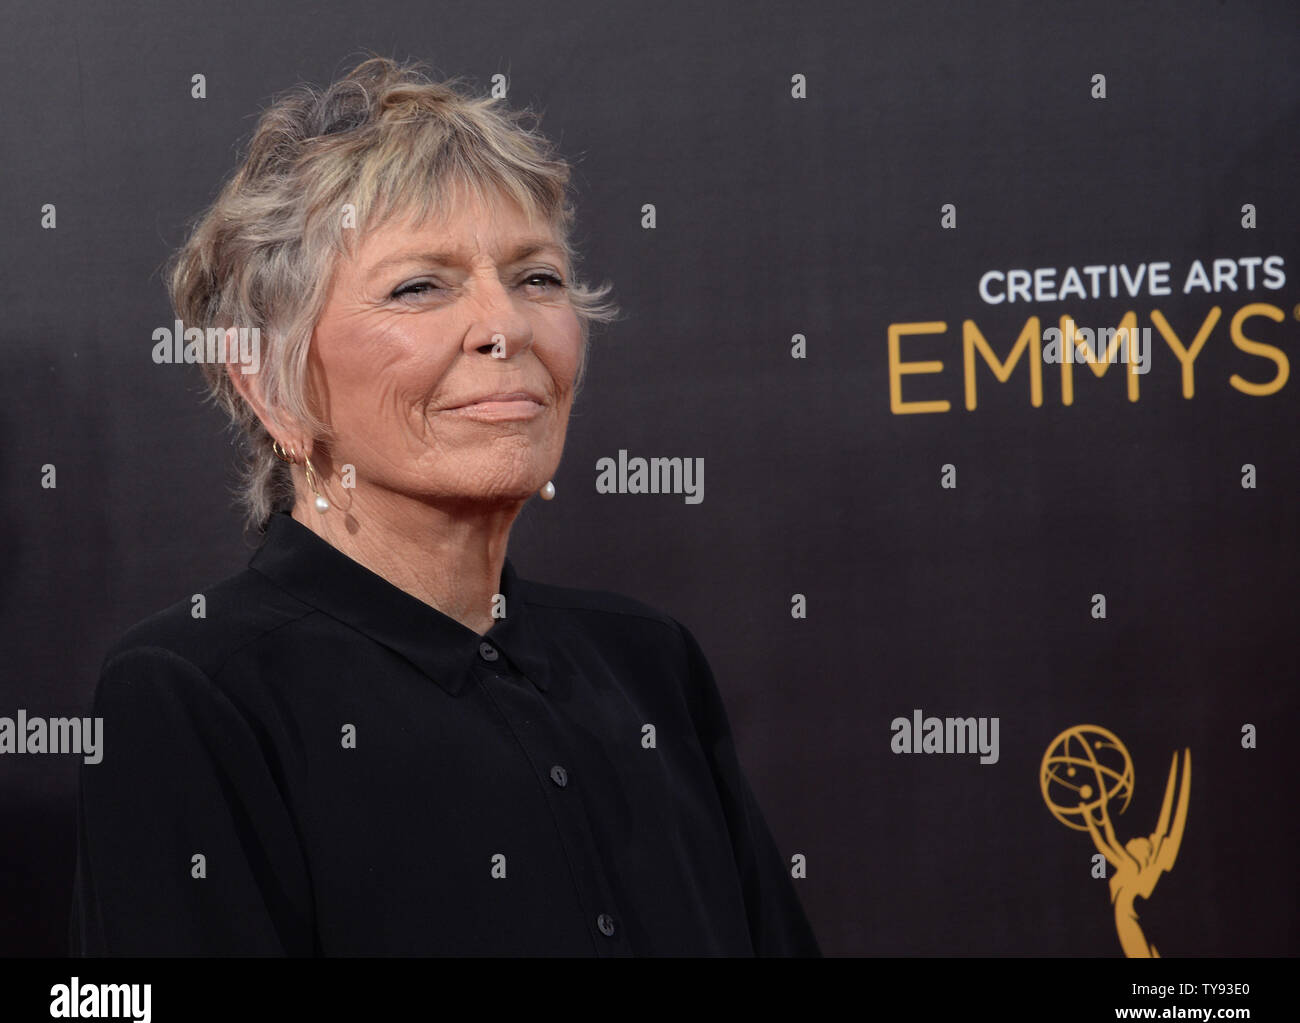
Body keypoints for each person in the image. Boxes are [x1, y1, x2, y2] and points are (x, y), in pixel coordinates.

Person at [68, 55, 820, 957]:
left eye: (537, 277)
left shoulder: (648, 665)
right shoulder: (195, 694)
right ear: (270, 383)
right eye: (420, 286)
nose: (506, 326)